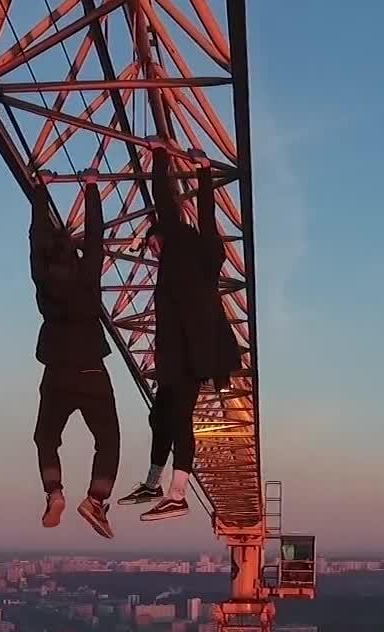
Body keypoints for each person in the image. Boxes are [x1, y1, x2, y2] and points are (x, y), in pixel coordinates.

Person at [118, 145, 242, 523]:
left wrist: (159, 156)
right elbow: (208, 216)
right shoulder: (205, 256)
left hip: (188, 356)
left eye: (154, 245)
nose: (153, 252)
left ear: (165, 237)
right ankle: (155, 484)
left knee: (179, 419)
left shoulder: (178, 250)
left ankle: (176, 494)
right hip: (186, 354)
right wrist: (203, 173)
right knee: (162, 416)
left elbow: (166, 201)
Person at [29, 181, 118, 539]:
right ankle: (96, 499)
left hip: (56, 371)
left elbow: (36, 237)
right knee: (108, 439)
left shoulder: (42, 280)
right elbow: (96, 237)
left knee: (46, 437)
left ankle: (55, 491)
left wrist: (40, 192)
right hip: (91, 368)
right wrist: (93, 188)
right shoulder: (87, 278)